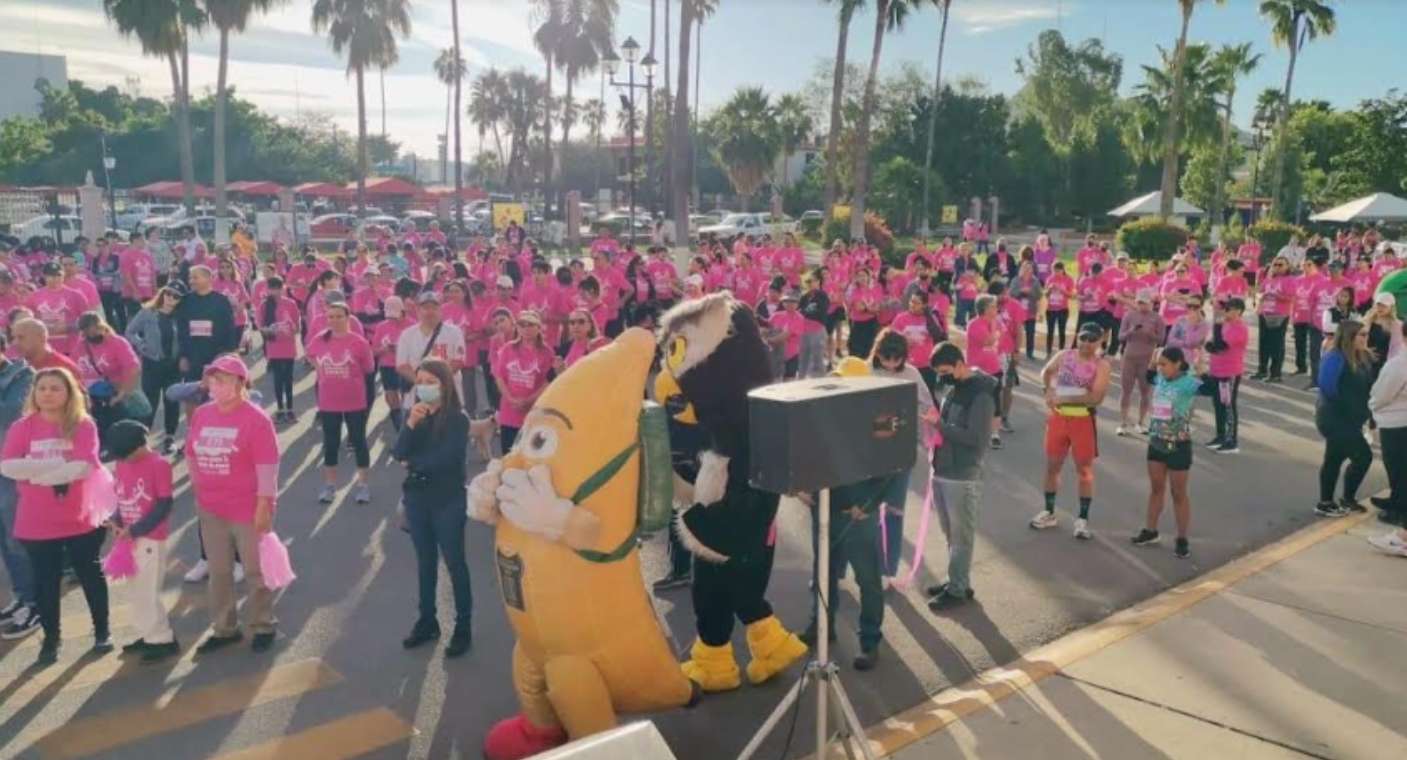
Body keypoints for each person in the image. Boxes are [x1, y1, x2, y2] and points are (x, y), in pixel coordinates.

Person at [0, 367, 106, 666]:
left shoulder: (83, 425)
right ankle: (51, 639)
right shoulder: (22, 427)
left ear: (69, 392)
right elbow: (8, 466)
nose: (47, 393)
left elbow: (84, 467)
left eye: (55, 388)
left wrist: (34, 471)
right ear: (34, 393)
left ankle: (102, 632)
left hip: (79, 516)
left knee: (90, 576)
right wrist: (58, 470)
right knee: (46, 583)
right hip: (36, 521)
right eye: (42, 388)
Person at [186, 354, 280, 654]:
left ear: (241, 383)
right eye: (213, 379)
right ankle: (225, 628)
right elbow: (191, 452)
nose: (216, 385)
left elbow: (267, 465)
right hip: (211, 507)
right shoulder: (202, 414)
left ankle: (263, 624)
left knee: (255, 570)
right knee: (219, 570)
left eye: (224, 379)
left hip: (248, 507)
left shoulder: (256, 419)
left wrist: (265, 505)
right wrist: (198, 488)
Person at [393, 358, 473, 657]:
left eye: (431, 382)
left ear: (445, 384)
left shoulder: (458, 419)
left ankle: (462, 627)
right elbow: (397, 451)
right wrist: (410, 425)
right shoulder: (415, 415)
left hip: (447, 500)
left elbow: (448, 459)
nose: (424, 388)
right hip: (417, 500)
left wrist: (412, 464)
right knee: (424, 563)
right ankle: (427, 621)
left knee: (455, 564)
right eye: (420, 382)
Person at [925, 342, 997, 611]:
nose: (942, 377)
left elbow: (976, 439)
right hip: (942, 469)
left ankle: (957, 590)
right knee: (950, 534)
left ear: (959, 363)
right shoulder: (953, 388)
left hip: (963, 474)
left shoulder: (981, 395)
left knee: (961, 536)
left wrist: (939, 424)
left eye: (945, 371)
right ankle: (957, 579)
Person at [105, 420, 179, 661]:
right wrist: (116, 519)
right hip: (130, 537)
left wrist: (137, 529)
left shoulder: (159, 465)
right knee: (135, 591)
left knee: (148, 591)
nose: (123, 460)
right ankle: (147, 633)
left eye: (126, 455)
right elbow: (121, 495)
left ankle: (161, 639)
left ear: (140, 446)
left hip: (150, 539)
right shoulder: (122, 461)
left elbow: (164, 504)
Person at [1031, 323, 1112, 539]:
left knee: (1084, 471)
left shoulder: (1101, 365)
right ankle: (1049, 512)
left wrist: (1065, 397)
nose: (1086, 343)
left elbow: (1096, 398)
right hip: (1058, 418)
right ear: (1078, 337)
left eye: (1091, 339)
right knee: (1052, 467)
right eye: (1083, 338)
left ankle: (1082, 520)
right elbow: (1046, 372)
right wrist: (1046, 390)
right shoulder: (1064, 355)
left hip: (1083, 420)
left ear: (1099, 341)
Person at [869, 331, 936, 584]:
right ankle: (868, 566)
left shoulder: (911, 373)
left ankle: (888, 570)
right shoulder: (867, 371)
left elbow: (927, 405)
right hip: (872, 453)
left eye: (896, 361)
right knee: (869, 511)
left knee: (895, 511)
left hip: (901, 450)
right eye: (886, 360)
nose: (890, 365)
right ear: (877, 354)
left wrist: (926, 433)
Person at [1131, 347, 1202, 559]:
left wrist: (1204, 370)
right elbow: (1149, 376)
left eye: (1165, 364)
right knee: (1156, 489)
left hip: (1178, 444)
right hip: (1157, 441)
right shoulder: (1161, 378)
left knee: (1178, 493)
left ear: (1178, 364)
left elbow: (1211, 389)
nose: (1160, 368)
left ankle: (1181, 538)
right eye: (1159, 364)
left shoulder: (1189, 382)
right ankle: (1151, 530)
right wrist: (1153, 363)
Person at [307, 302, 377, 504]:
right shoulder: (320, 340)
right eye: (331, 317)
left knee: (359, 442)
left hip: (355, 401)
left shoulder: (359, 342)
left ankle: (363, 485)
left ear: (348, 318)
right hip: (329, 402)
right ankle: (330, 486)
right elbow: (311, 355)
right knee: (330, 443)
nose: (334, 321)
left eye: (339, 316)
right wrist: (319, 370)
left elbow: (368, 370)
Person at [1313, 321, 1376, 518]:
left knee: (1334, 458)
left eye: (1366, 334)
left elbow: (1368, 389)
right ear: (1349, 337)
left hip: (1352, 419)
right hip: (1335, 418)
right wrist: (1351, 411)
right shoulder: (1335, 357)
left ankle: (1326, 502)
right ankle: (1346, 499)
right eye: (1361, 335)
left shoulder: (1363, 357)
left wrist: (1369, 415)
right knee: (1363, 456)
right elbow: (1327, 387)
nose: (1365, 338)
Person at [0, 346, 37, 640]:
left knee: (17, 539)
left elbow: (11, 415)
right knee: (4, 540)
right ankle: (21, 595)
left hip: (15, 470)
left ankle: (35, 603)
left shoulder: (24, 376)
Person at [126, 287, 184, 452]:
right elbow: (130, 331)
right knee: (150, 401)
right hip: (153, 363)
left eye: (176, 296)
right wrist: (142, 346)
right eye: (168, 293)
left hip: (173, 365)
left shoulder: (180, 316)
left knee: (171, 400)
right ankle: (144, 438)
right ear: (162, 293)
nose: (171, 298)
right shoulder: (148, 312)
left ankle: (170, 437)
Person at [73, 311, 143, 446]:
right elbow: (73, 370)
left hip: (115, 392)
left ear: (102, 326)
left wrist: (123, 393)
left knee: (125, 423)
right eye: (87, 331)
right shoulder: (81, 346)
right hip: (90, 395)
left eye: (95, 329)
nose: (92, 334)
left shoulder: (117, 342)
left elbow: (133, 368)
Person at [491, 310, 554, 453]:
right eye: (522, 325)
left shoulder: (547, 352)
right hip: (509, 412)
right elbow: (499, 377)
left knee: (530, 456)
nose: (526, 328)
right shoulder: (508, 348)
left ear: (539, 327)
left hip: (533, 412)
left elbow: (547, 382)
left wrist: (528, 401)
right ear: (517, 327)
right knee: (508, 456)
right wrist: (510, 399)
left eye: (530, 325)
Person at [1369, 318, 1407, 528]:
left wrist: (1372, 405)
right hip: (1400, 419)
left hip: (1396, 421)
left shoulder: (1400, 363)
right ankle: (1396, 500)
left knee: (1397, 469)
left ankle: (1398, 510)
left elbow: (1383, 393)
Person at [174, 265, 238, 388]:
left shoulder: (221, 301)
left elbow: (230, 329)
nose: (191, 281)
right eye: (190, 278)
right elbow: (181, 331)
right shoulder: (185, 301)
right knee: (192, 395)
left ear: (208, 278)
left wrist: (229, 353)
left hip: (217, 357)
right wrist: (183, 356)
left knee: (216, 395)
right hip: (193, 358)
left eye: (195, 278)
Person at [254, 278, 301, 424]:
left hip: (288, 347)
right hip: (274, 347)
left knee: (288, 379)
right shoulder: (264, 305)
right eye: (271, 288)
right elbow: (260, 325)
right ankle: (280, 409)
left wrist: (290, 327)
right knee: (278, 379)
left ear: (283, 288)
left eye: (277, 288)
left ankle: (290, 409)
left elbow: (297, 327)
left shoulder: (290, 303)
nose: (274, 291)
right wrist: (269, 330)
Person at [1206, 298, 1249, 453]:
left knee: (1228, 405)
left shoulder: (1239, 328)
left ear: (1238, 310)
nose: (1225, 311)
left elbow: (1219, 346)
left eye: (1228, 308)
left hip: (1229, 373)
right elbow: (1210, 345)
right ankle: (1220, 436)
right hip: (1216, 370)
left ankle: (1232, 441)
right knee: (1217, 404)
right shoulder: (1225, 324)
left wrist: (1217, 324)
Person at [1116, 291, 1161, 436]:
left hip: (1147, 359)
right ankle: (1123, 423)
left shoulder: (1158, 318)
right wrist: (1131, 330)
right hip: (1129, 357)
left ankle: (1141, 422)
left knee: (1145, 392)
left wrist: (1150, 334)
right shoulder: (1129, 316)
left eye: (1145, 303)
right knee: (1126, 391)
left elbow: (1161, 340)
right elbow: (1120, 336)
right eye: (1140, 302)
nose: (1142, 306)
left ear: (1151, 303)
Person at [963, 295, 1005, 449]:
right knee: (975, 401)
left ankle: (994, 435)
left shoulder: (996, 323)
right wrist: (996, 329)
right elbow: (988, 341)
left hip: (995, 368)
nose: (996, 309)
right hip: (977, 371)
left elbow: (1000, 341)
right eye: (993, 306)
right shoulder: (974, 324)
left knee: (995, 402)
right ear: (985, 309)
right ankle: (971, 431)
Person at [1252, 256, 1294, 382]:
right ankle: (1262, 370)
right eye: (1275, 264)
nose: (1277, 267)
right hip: (1265, 314)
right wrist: (1260, 297)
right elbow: (1259, 292)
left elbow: (1291, 298)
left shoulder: (1289, 280)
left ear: (1287, 267)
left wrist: (1277, 295)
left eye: (1281, 265)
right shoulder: (1268, 280)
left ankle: (1275, 373)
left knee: (1276, 344)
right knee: (1263, 343)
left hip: (1279, 316)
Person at [12, 317, 82, 376]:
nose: (15, 343)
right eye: (14, 338)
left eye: (21, 337)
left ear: (41, 337)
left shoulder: (65, 368)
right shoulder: (15, 369)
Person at [797, 269, 830, 377]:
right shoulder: (805, 296)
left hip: (817, 329)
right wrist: (806, 313)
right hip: (803, 329)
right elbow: (798, 311)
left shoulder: (822, 295)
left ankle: (819, 381)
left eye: (814, 281)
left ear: (819, 282)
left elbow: (821, 312)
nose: (811, 284)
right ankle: (801, 380)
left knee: (817, 358)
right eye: (809, 282)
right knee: (803, 357)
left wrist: (805, 313)